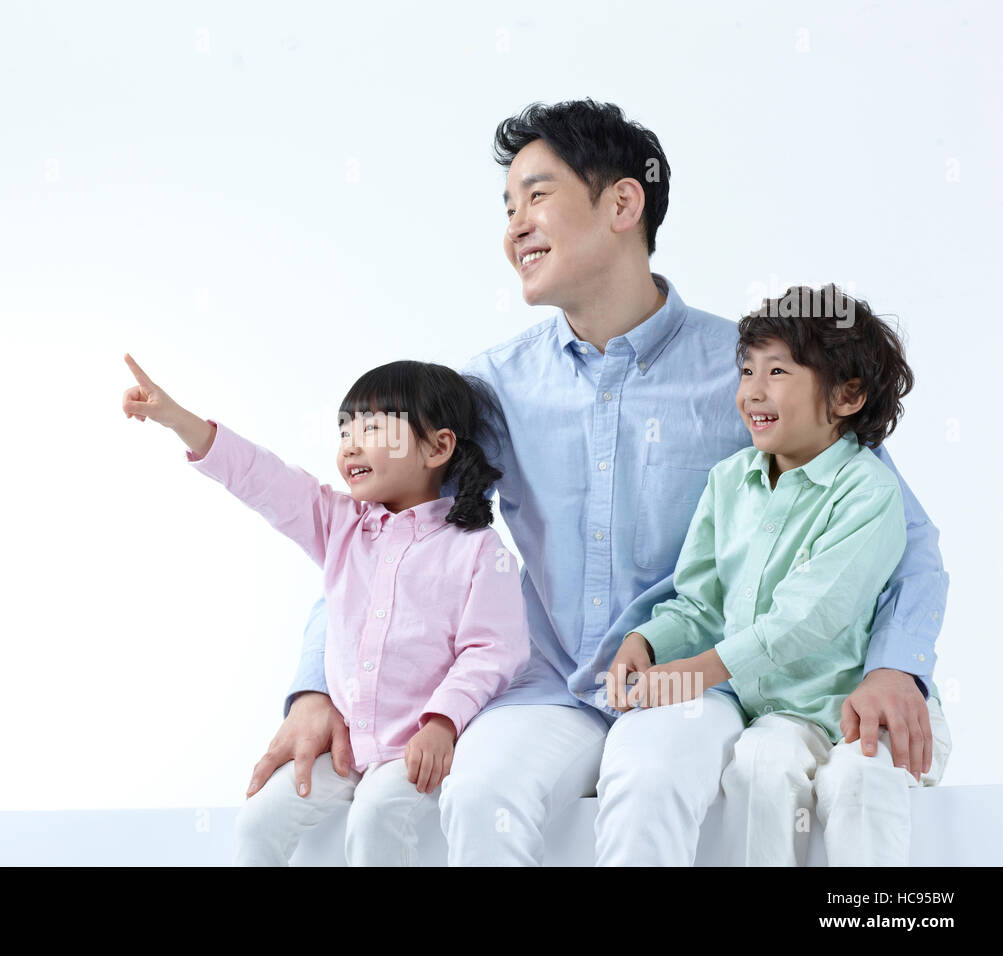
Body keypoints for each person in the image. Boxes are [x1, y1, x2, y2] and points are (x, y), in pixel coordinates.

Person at [248, 98, 952, 867]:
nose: (515, 224)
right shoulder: (492, 388)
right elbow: (384, 537)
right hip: (546, 685)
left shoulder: (752, 375)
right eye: (508, 205)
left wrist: (895, 666)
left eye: (538, 195)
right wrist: (315, 686)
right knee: (477, 796)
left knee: (648, 789)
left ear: (624, 201)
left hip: (693, 685)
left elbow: (902, 535)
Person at [120, 354, 530, 865]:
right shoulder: (340, 525)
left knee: (377, 818)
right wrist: (177, 418)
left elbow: (494, 650)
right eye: (345, 430)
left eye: (374, 427)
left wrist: (442, 722)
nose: (350, 444)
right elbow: (261, 478)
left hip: (419, 751)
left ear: (438, 446)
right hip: (346, 751)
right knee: (257, 822)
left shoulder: (478, 550)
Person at [604, 286, 951, 866]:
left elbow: (808, 616)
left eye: (778, 371)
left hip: (861, 710)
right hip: (782, 714)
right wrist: (645, 641)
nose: (752, 391)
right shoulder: (728, 481)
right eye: (746, 370)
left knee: (860, 782)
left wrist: (696, 671)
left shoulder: (868, 491)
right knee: (758, 771)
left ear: (847, 394)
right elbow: (701, 604)